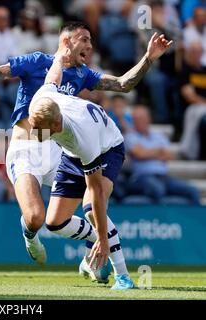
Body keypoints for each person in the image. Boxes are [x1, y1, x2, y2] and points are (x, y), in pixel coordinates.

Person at [0, 22, 172, 278]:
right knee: (35, 218)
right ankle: (34, 235)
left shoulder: (82, 74)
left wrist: (148, 58)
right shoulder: (35, 62)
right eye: (84, 39)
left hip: (59, 151)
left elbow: (123, 84)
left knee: (85, 206)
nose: (89, 45)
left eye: (91, 41)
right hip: (25, 150)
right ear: (66, 42)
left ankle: (97, 256)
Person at [28, 48, 134, 289]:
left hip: (107, 148)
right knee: (55, 223)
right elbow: (52, 79)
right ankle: (99, 240)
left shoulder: (81, 136)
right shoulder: (41, 101)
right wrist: (58, 58)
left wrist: (105, 243)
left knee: (90, 209)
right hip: (71, 154)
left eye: (41, 129)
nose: (35, 134)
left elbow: (95, 190)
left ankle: (123, 276)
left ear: (56, 124)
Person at [126, 106, 201, 204]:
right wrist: (157, 152)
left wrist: (146, 152)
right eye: (136, 119)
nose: (139, 121)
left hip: (163, 177)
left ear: (149, 119)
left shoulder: (159, 135)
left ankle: (194, 219)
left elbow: (168, 155)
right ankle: (162, 218)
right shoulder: (129, 136)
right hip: (142, 177)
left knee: (193, 191)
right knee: (157, 189)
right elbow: (140, 154)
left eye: (142, 118)